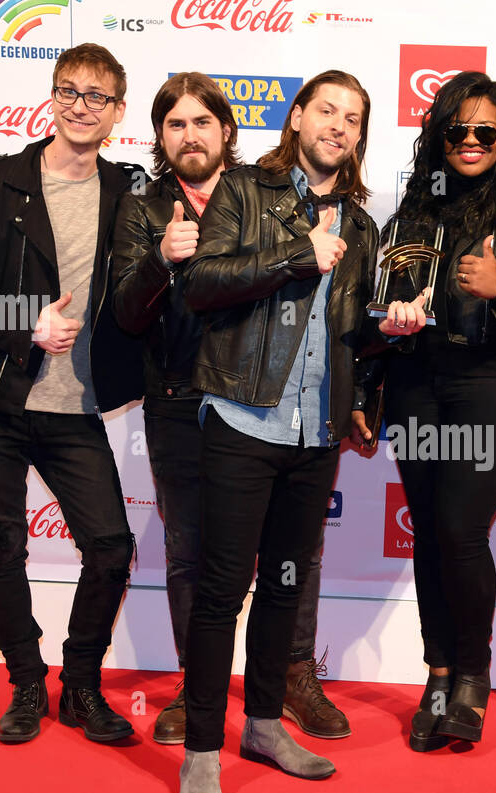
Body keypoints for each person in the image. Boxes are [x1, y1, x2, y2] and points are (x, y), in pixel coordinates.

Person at [175, 70, 415, 793]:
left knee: (285, 583)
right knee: (222, 590)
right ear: (299, 117)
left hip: (315, 434)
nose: (339, 126)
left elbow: (352, 334)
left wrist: (389, 329)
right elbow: (201, 285)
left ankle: (266, 724)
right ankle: (203, 751)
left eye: (354, 118)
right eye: (328, 111)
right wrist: (293, 256)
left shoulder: (366, 226)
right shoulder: (246, 191)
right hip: (244, 420)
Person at [111, 72, 351, 747]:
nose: (190, 135)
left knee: (289, 552)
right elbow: (127, 313)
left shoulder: (267, 192)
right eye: (175, 124)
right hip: (179, 398)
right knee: (191, 548)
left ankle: (292, 675)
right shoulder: (144, 208)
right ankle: (199, 682)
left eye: (202, 122)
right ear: (160, 136)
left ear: (225, 129)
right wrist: (161, 261)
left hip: (263, 400)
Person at [0, 44, 145, 745]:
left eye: (97, 96)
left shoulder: (127, 192)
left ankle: (80, 682)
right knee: (2, 544)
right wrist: (27, 323)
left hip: (75, 407)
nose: (80, 106)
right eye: (69, 91)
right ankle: (25, 679)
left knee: (111, 546)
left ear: (117, 111)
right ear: (52, 97)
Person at [375, 71, 496, 751]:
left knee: (460, 529)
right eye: (456, 131)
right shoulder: (414, 210)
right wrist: (391, 319)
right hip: (418, 386)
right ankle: (437, 670)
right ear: (438, 136)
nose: (469, 142)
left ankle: (473, 676)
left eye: (484, 132)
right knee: (429, 531)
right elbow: (384, 304)